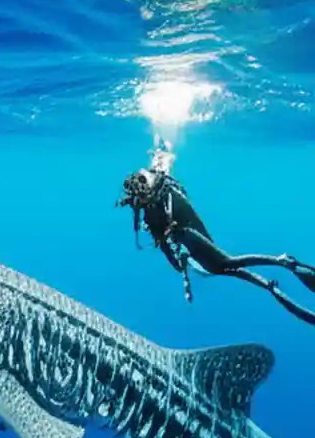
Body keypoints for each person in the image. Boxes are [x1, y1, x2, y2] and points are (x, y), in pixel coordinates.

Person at [116, 138, 315, 326]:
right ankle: (271, 280)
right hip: (190, 234)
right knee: (232, 269)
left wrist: (182, 269)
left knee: (227, 265)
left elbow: (167, 246)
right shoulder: (163, 190)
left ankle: (280, 263)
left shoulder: (155, 206)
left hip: (188, 235)